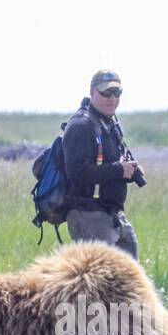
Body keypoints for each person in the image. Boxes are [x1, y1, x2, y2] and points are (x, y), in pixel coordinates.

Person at [61, 69, 143, 260]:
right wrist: (118, 170)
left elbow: (109, 166)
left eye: (117, 93)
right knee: (100, 284)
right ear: (92, 92)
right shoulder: (81, 125)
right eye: (106, 93)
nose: (112, 98)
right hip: (89, 214)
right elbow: (77, 172)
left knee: (130, 278)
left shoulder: (108, 123)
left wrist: (130, 170)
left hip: (112, 214)